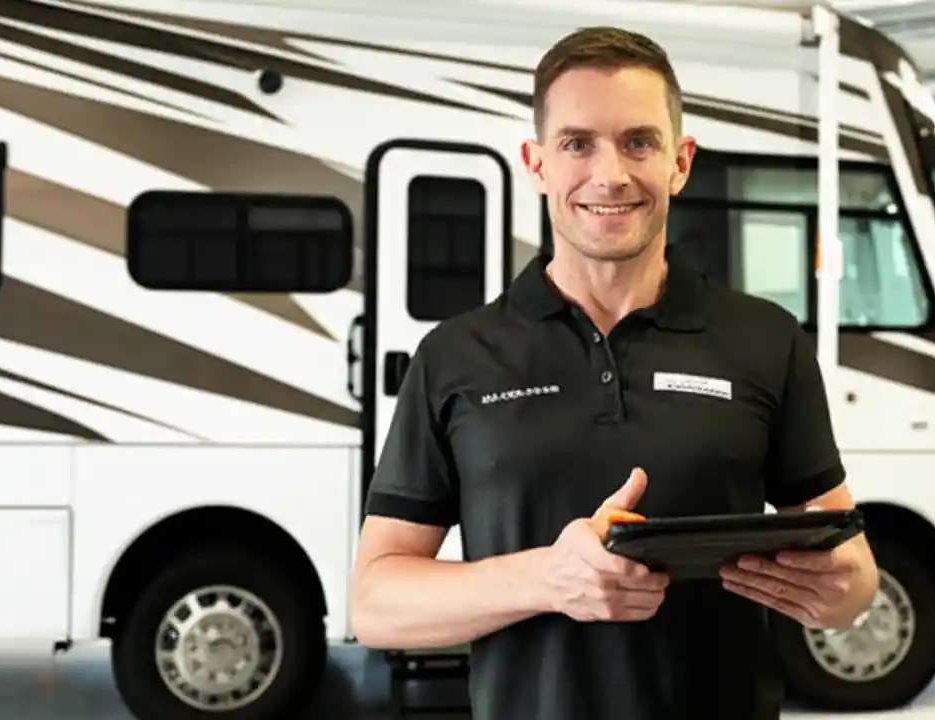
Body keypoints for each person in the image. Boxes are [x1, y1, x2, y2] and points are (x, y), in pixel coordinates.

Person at [350, 25, 880, 720]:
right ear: (536, 164)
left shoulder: (765, 341)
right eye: (577, 143)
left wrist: (842, 593)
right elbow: (375, 604)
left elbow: (853, 566)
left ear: (679, 161)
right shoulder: (456, 355)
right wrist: (549, 579)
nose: (610, 174)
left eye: (639, 142)